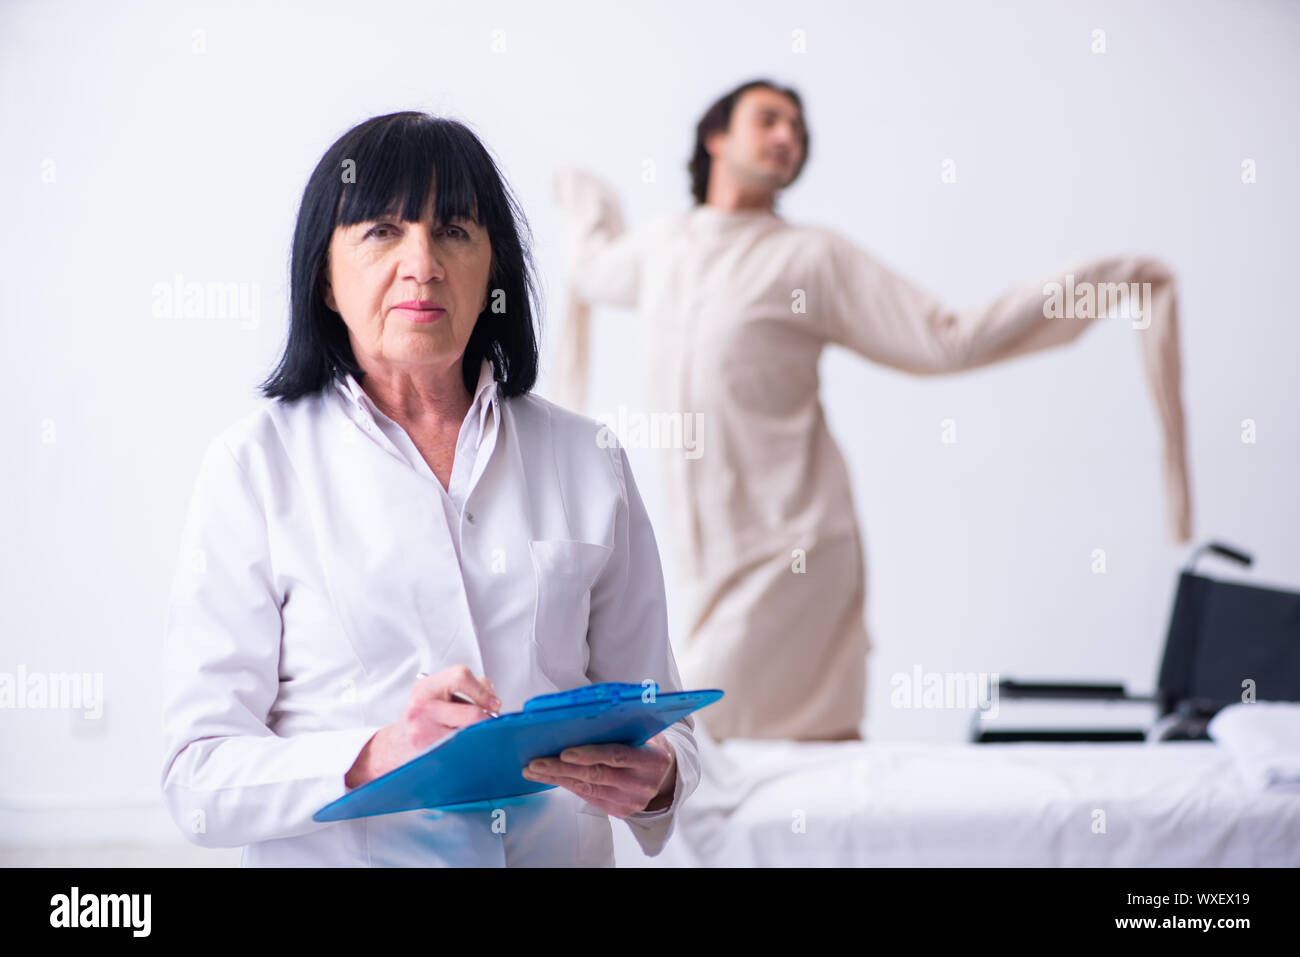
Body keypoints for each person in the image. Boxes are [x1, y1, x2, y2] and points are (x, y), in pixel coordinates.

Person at [553, 79, 1193, 743]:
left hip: (795, 551)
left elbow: (947, 338)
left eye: (798, 130)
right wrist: (580, 189)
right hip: (703, 565)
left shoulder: (812, 258)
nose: (787, 137)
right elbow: (592, 269)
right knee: (763, 763)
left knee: (685, 737)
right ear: (716, 137)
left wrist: (1109, 282)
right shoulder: (663, 246)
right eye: (769, 120)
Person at [160, 111, 699, 867]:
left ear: (492, 271)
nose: (423, 263)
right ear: (325, 278)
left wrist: (660, 778)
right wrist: (381, 752)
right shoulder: (253, 468)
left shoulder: (589, 457)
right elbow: (197, 779)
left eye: (453, 231)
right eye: (382, 231)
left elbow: (662, 716)